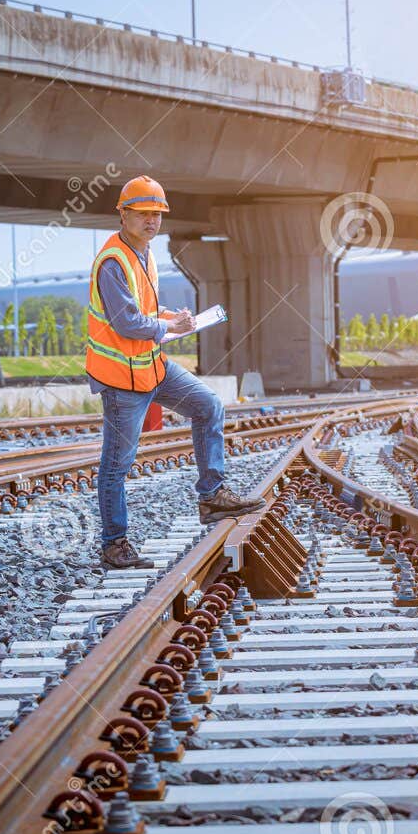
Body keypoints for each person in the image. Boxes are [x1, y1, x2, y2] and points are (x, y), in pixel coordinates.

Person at [86, 175, 263, 569]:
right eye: (144, 214)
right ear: (123, 213)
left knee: (208, 406)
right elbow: (127, 323)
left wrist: (171, 317)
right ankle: (114, 544)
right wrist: (169, 328)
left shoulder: (144, 254)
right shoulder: (112, 261)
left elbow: (145, 309)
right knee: (117, 462)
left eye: (157, 214)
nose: (152, 221)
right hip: (121, 379)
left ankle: (212, 495)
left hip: (151, 367)